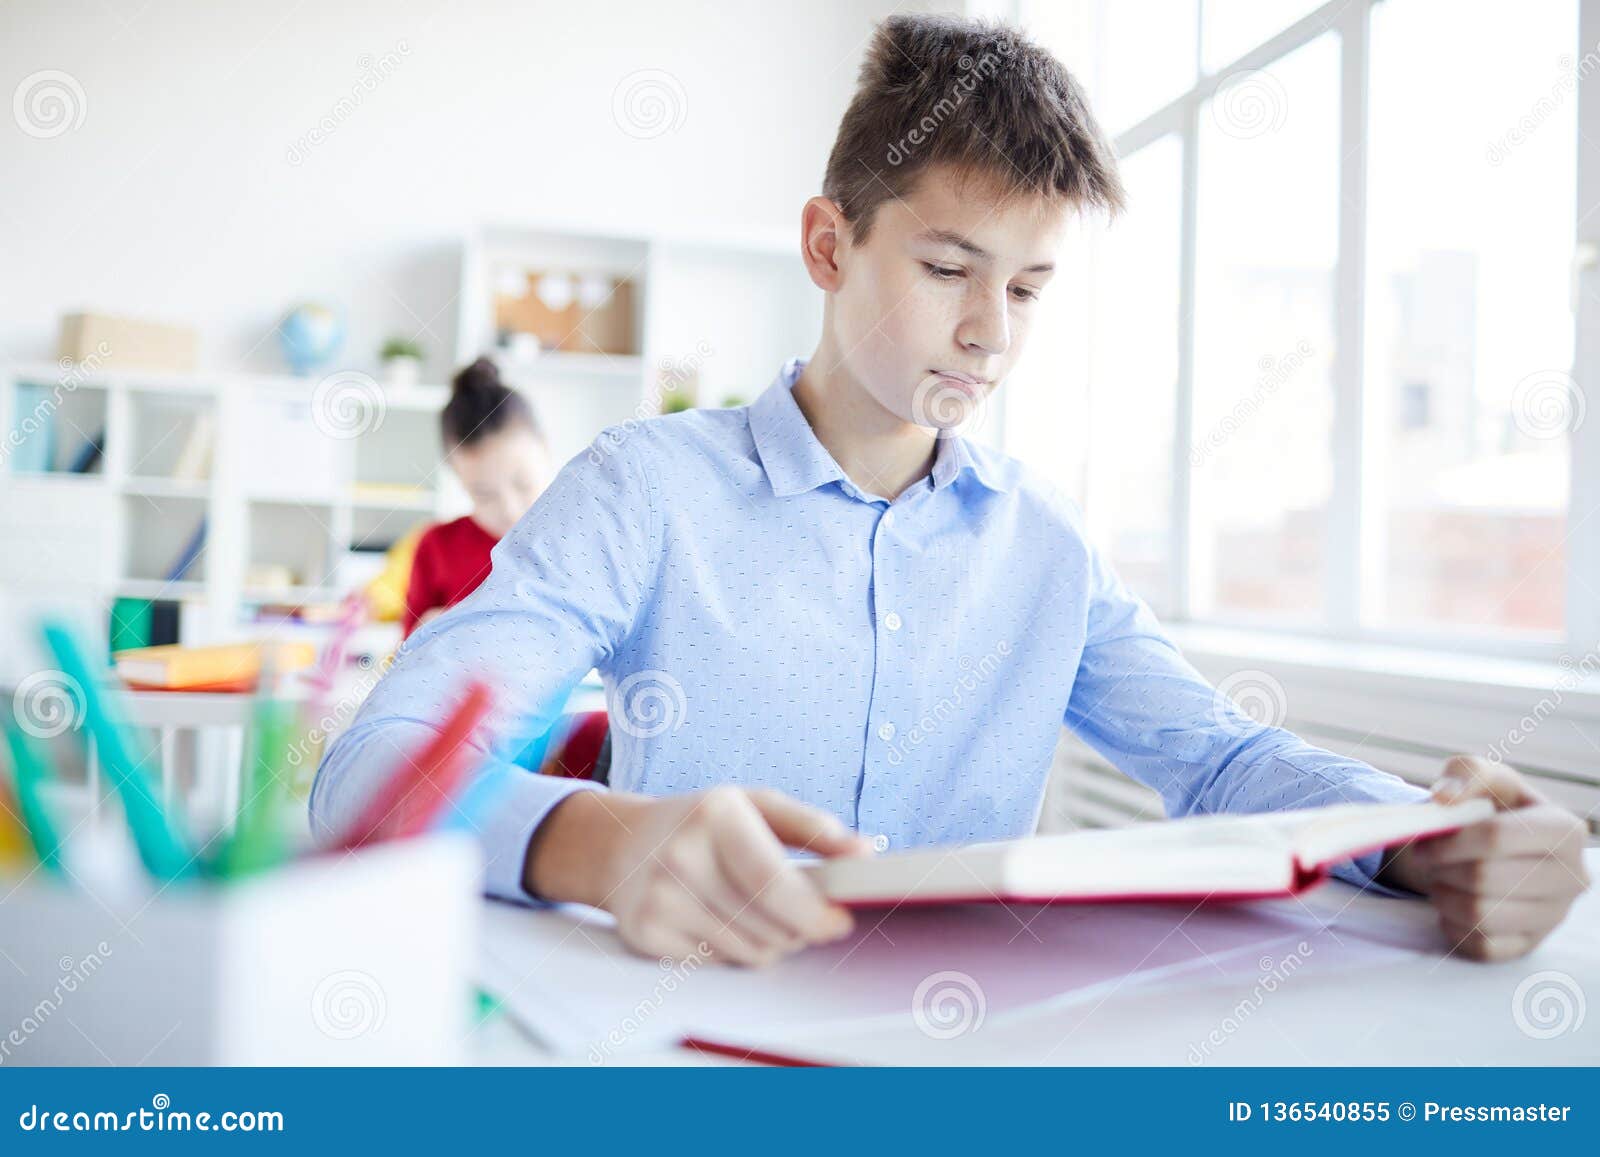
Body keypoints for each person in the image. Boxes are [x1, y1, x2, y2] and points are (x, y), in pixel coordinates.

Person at [312, 14, 1589, 968]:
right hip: (691, 1039)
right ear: (830, 244)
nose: (989, 332)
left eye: (1027, 288)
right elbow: (371, 767)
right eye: (946, 267)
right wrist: (600, 842)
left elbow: (1222, 757)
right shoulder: (643, 492)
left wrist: (1423, 834)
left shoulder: (1042, 546)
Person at [403, 357, 552, 638]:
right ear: (458, 480)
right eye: (484, 495)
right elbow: (404, 657)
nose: (509, 509)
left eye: (522, 483)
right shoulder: (436, 547)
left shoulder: (574, 542)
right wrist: (431, 628)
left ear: (545, 448)